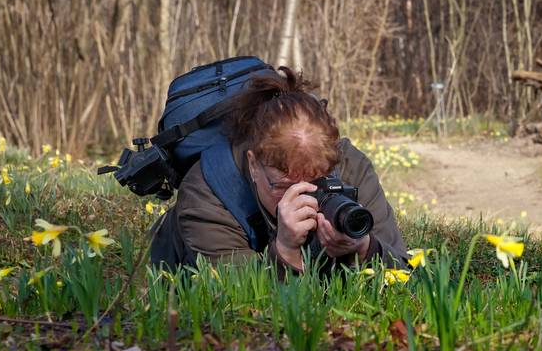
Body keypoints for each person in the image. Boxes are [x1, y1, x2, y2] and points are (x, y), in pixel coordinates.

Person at [150, 68, 409, 271]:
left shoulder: (352, 166)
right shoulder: (206, 193)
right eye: (284, 186)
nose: (303, 198)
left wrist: (365, 248)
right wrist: (285, 250)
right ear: (253, 164)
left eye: (318, 182)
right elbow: (236, 295)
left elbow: (404, 267)